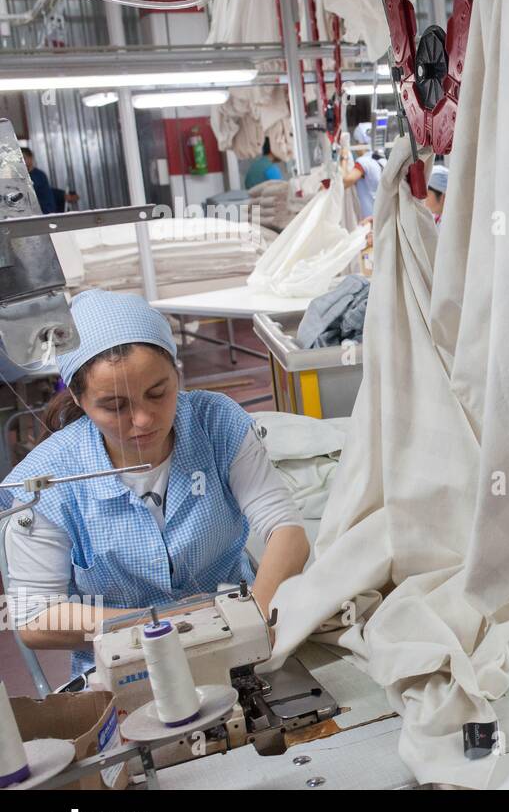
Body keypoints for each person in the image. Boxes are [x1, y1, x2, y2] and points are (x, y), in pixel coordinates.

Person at [2, 290, 310, 679]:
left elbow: (285, 530)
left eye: (158, 393)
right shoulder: (47, 482)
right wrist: (173, 624)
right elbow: (36, 618)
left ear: (177, 374)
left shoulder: (218, 425)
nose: (144, 419)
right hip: (128, 668)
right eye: (115, 406)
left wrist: (255, 618)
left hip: (245, 642)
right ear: (78, 399)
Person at [21, 147, 76, 214]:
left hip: (46, 213)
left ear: (31, 158)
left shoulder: (39, 175)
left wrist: (63, 195)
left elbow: (45, 191)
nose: (21, 161)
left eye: (24, 158)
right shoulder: (22, 177)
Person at [342, 149, 384, 220]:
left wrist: (344, 159)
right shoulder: (382, 160)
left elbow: (345, 182)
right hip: (382, 216)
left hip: (369, 221)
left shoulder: (363, 162)